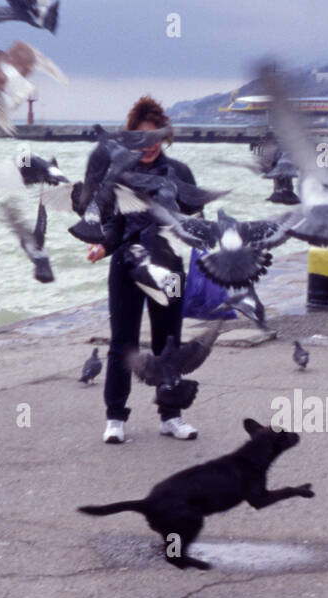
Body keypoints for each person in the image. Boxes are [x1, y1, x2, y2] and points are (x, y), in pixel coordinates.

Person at [84, 95, 201, 444]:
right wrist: (101, 246)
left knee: (171, 342)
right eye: (140, 138)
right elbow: (111, 225)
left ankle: (171, 415)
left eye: (155, 137)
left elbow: (195, 221)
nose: (148, 145)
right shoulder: (117, 173)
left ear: (164, 137)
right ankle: (115, 417)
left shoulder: (179, 172)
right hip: (126, 266)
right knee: (123, 342)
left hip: (171, 271)